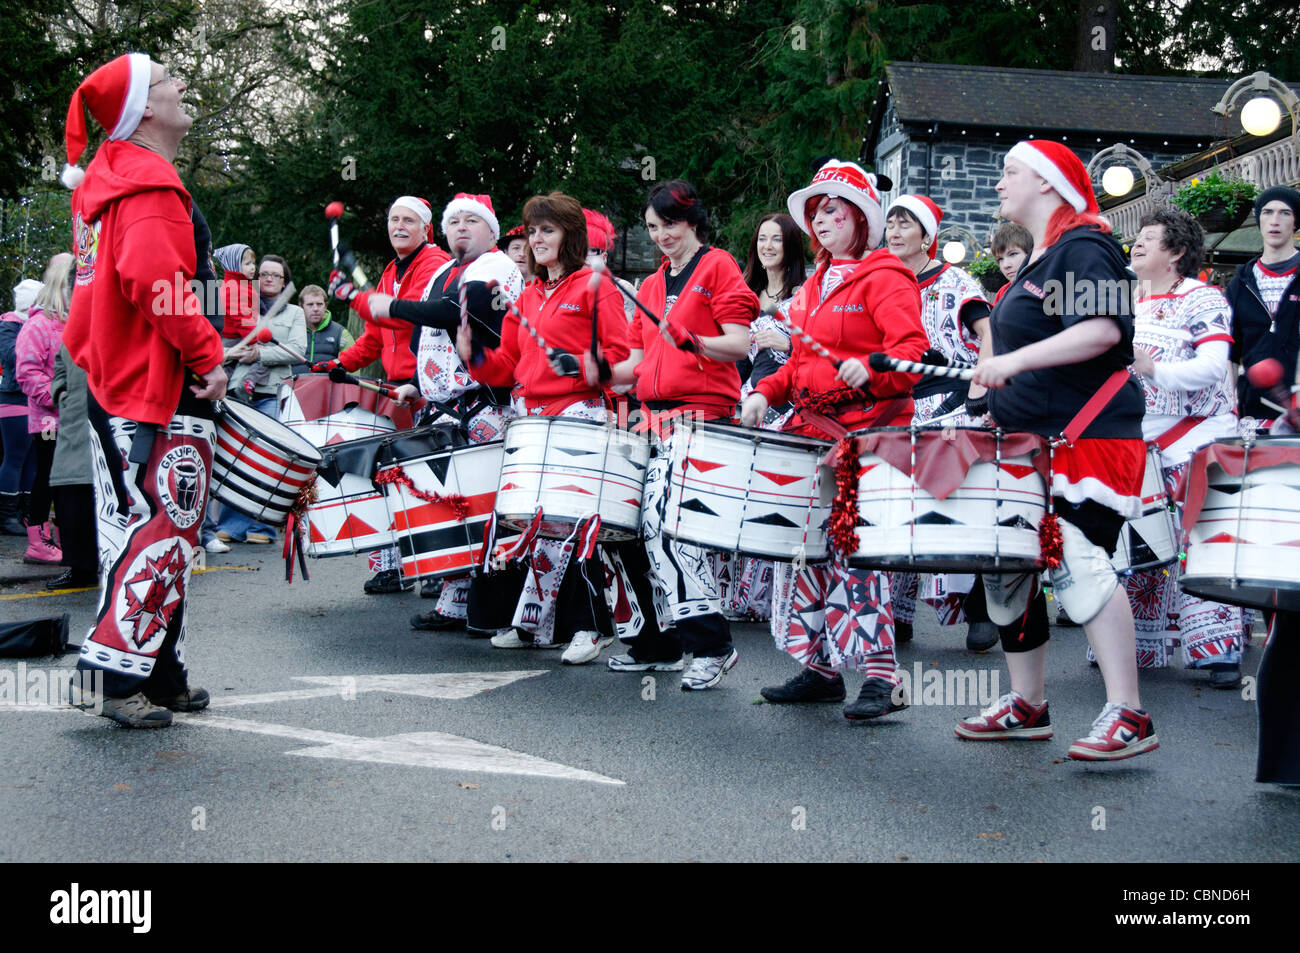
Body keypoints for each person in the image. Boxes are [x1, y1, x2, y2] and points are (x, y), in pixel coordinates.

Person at [958, 139, 1156, 761]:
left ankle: (1130, 712)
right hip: (1031, 443)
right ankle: (1028, 703)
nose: (998, 184)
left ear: (1047, 183)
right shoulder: (1044, 258)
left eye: (1010, 172)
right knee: (1010, 565)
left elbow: (1101, 331)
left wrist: (1009, 361)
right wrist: (994, 388)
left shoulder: (1084, 246)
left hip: (1087, 441)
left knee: (1077, 561)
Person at [61, 52, 227, 728]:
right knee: (156, 530)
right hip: (154, 387)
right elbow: (157, 285)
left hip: (122, 380)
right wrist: (207, 352)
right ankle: (107, 679)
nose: (181, 84)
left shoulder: (114, 179)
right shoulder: (149, 186)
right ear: (144, 110)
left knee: (157, 530)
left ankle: (159, 674)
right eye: (167, 79)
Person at [742, 159, 927, 718]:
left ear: (860, 219)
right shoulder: (816, 283)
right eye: (816, 211)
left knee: (860, 556)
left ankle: (882, 677)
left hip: (868, 436)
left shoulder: (886, 276)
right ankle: (821, 670)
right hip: (809, 433)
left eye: (833, 209)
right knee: (813, 555)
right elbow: (796, 362)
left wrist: (872, 369)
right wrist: (764, 394)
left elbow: (912, 355)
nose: (820, 219)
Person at [455, 191, 629, 663]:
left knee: (576, 526)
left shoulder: (596, 287)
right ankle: (535, 624)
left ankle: (591, 627)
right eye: (532, 231)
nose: (537, 238)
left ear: (570, 236)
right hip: (531, 418)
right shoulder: (528, 295)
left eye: (547, 230)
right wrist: (474, 356)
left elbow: (623, 356)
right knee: (532, 524)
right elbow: (507, 365)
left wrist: (584, 366)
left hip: (580, 417)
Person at [599, 179, 758, 688]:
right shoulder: (648, 286)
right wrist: (587, 368)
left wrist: (694, 341)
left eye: (669, 223)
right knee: (615, 523)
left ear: (691, 221)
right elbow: (636, 363)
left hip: (702, 415)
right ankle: (656, 643)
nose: (661, 235)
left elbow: (738, 344)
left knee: (667, 531)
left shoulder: (718, 267)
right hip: (648, 417)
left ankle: (712, 646)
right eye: (652, 227)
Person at [350, 192, 523, 630]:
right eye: (454, 222)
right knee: (453, 505)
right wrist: (416, 385)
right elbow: (423, 334)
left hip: (485, 405)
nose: (461, 228)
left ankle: (495, 608)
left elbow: (453, 311)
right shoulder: (445, 270)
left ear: (491, 230)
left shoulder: (497, 267)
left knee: (485, 509)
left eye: (472, 221)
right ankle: (455, 598)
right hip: (442, 407)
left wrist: (385, 305)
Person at [1110, 206, 1243, 686]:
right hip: (1142, 438)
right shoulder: (1127, 301)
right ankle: (1140, 649)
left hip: (1198, 436)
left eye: (1150, 237)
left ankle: (1217, 652)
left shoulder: (1203, 299)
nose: (1137, 243)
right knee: (1141, 544)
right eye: (1137, 237)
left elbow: (1212, 367)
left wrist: (1153, 369)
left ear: (1177, 251)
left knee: (1199, 544)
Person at [881, 194, 999, 653]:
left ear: (927, 236)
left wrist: (979, 387)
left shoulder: (955, 282)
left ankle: (978, 610)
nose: (893, 231)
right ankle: (899, 615)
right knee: (900, 511)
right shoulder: (883, 281)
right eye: (890, 223)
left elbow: (989, 333)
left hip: (951, 402)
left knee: (956, 508)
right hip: (902, 404)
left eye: (904, 224)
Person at [323, 195, 450, 594]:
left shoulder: (436, 265)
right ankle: (397, 564)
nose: (399, 226)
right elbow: (376, 334)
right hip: (398, 391)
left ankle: (439, 567)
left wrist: (353, 297)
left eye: (408, 220)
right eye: (394, 219)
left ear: (425, 229)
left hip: (428, 388)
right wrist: (341, 363)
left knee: (431, 479)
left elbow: (407, 313)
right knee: (393, 477)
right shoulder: (390, 273)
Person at [708, 212, 808, 623]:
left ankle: (769, 598)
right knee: (739, 498)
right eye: (762, 239)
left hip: (786, 406)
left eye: (777, 240)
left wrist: (788, 340)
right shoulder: (746, 294)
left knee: (773, 498)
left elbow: (823, 347)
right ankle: (733, 593)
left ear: (791, 247)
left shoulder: (806, 292)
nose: (768, 246)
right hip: (744, 401)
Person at [214, 253, 307, 545]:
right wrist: (232, 352)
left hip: (271, 393)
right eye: (263, 273)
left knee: (267, 461)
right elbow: (224, 339)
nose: (268, 278)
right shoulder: (240, 303)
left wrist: (259, 354)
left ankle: (263, 527)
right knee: (234, 459)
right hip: (238, 391)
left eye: (275, 275)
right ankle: (231, 524)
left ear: (284, 281)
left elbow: (297, 351)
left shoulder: (294, 313)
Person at [16, 254, 75, 565]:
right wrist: (58, 395)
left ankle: (66, 537)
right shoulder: (38, 325)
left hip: (75, 418)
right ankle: (38, 542)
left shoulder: (74, 324)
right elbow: (26, 371)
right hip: (48, 420)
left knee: (68, 482)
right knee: (46, 479)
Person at [1227, 186, 1300, 423]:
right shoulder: (1240, 284)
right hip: (1252, 412)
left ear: (1296, 222)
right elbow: (1230, 353)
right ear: (1259, 220)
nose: (1275, 221)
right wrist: (1230, 403)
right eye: (1267, 212)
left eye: (1285, 213)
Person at [47, 344, 98, 589]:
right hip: (75, 419)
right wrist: (60, 393)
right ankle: (80, 568)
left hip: (110, 416)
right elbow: (58, 369)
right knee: (71, 493)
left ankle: (94, 567)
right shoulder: (71, 335)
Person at [0, 278, 42, 535]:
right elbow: (10, 356)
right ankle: (6, 516)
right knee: (15, 457)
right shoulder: (9, 325)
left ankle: (27, 512)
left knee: (34, 460)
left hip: (38, 400)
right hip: (14, 398)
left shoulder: (42, 325)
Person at [293, 284, 354, 375]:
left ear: (325, 306)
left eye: (319, 304)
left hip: (329, 388)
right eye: (310, 304)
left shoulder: (341, 333)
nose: (315, 309)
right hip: (294, 388)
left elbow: (352, 369)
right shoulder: (291, 331)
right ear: (301, 307)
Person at [213, 243, 257, 343]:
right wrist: (253, 341)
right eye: (247, 264)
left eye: (253, 263)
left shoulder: (242, 284)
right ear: (234, 264)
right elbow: (242, 319)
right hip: (232, 339)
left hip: (242, 335)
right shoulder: (233, 289)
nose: (253, 267)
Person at [991, 222, 1032, 305]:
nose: (1006, 265)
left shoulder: (1046, 287)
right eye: (1000, 259)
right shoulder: (1002, 292)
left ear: (1030, 253)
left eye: (1013, 254)